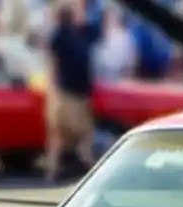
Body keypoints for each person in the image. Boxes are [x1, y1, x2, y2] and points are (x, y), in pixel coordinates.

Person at [44, 0, 99, 181]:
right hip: (67, 92)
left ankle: (64, 167)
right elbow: (53, 64)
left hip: (77, 91)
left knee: (78, 135)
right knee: (66, 135)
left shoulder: (79, 34)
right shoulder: (59, 36)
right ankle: (55, 169)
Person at [93, 6, 135, 84]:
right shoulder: (98, 44)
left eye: (111, 19)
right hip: (104, 83)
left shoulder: (126, 38)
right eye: (106, 20)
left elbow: (129, 67)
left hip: (120, 83)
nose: (106, 23)